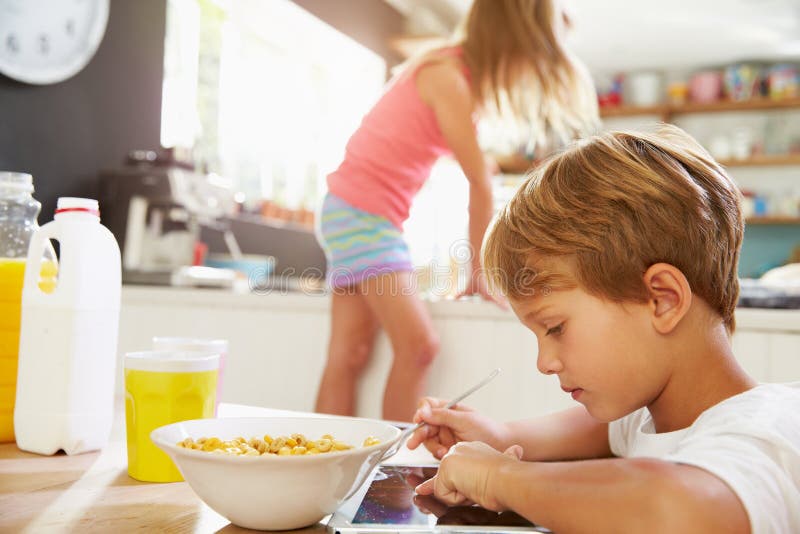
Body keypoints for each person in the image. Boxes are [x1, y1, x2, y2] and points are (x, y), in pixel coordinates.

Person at [407, 125, 800, 532]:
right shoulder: (647, 416)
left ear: (662, 300)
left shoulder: (773, 430)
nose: (544, 362)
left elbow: (676, 509)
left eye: (555, 327)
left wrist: (497, 478)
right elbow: (592, 431)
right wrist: (497, 436)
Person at [314, 0, 598, 422]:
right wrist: (482, 275)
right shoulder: (446, 77)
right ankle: (398, 464)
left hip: (350, 211)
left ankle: (328, 466)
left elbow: (470, 169)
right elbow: (478, 184)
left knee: (350, 353)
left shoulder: (449, 73)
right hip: (362, 216)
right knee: (419, 347)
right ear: (513, 42)